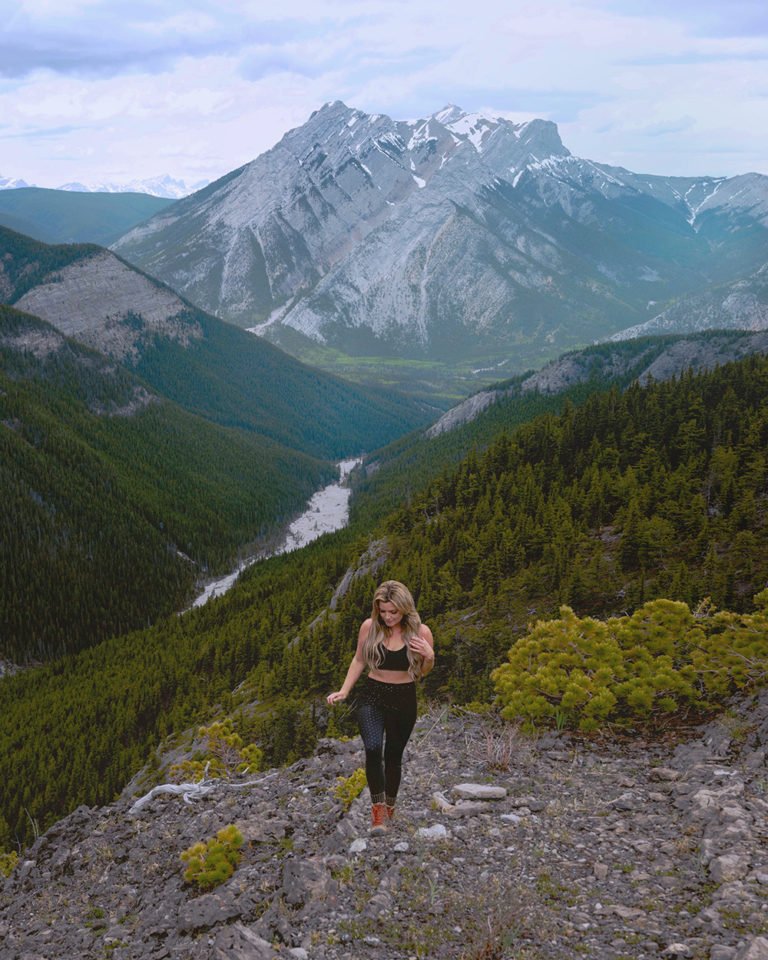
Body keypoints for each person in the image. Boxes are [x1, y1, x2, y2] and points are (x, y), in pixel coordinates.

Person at [327, 580, 434, 834]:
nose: (387, 616)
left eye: (393, 612)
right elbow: (359, 659)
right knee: (373, 748)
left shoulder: (421, 632)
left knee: (393, 757)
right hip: (372, 695)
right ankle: (377, 815)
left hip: (404, 697)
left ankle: (390, 808)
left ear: (405, 609)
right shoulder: (369, 627)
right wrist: (345, 689)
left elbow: (422, 673)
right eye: (383, 611)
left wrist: (429, 656)